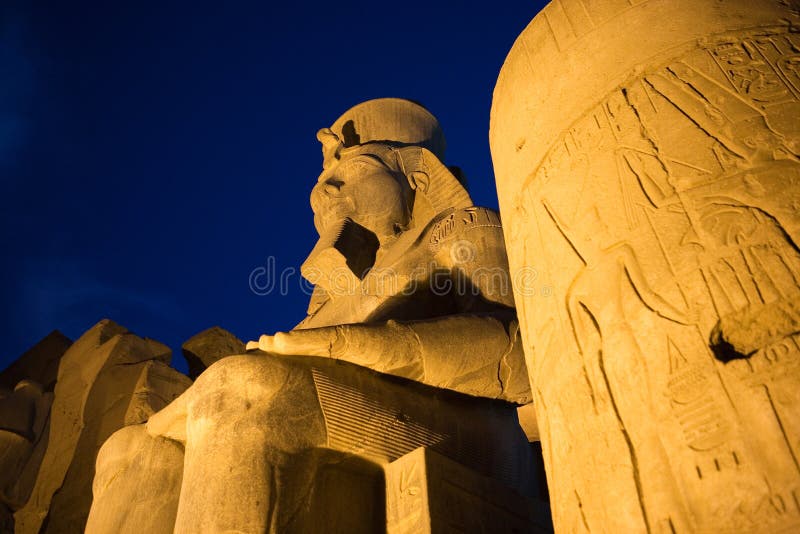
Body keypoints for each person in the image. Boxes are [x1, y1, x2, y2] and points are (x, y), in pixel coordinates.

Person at [87, 98, 534, 534]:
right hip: (369, 408)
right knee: (128, 449)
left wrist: (345, 343)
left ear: (417, 177)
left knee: (241, 388)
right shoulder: (330, 297)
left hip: (475, 433)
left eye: (357, 169)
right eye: (325, 181)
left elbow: (515, 354)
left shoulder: (463, 228)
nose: (331, 190)